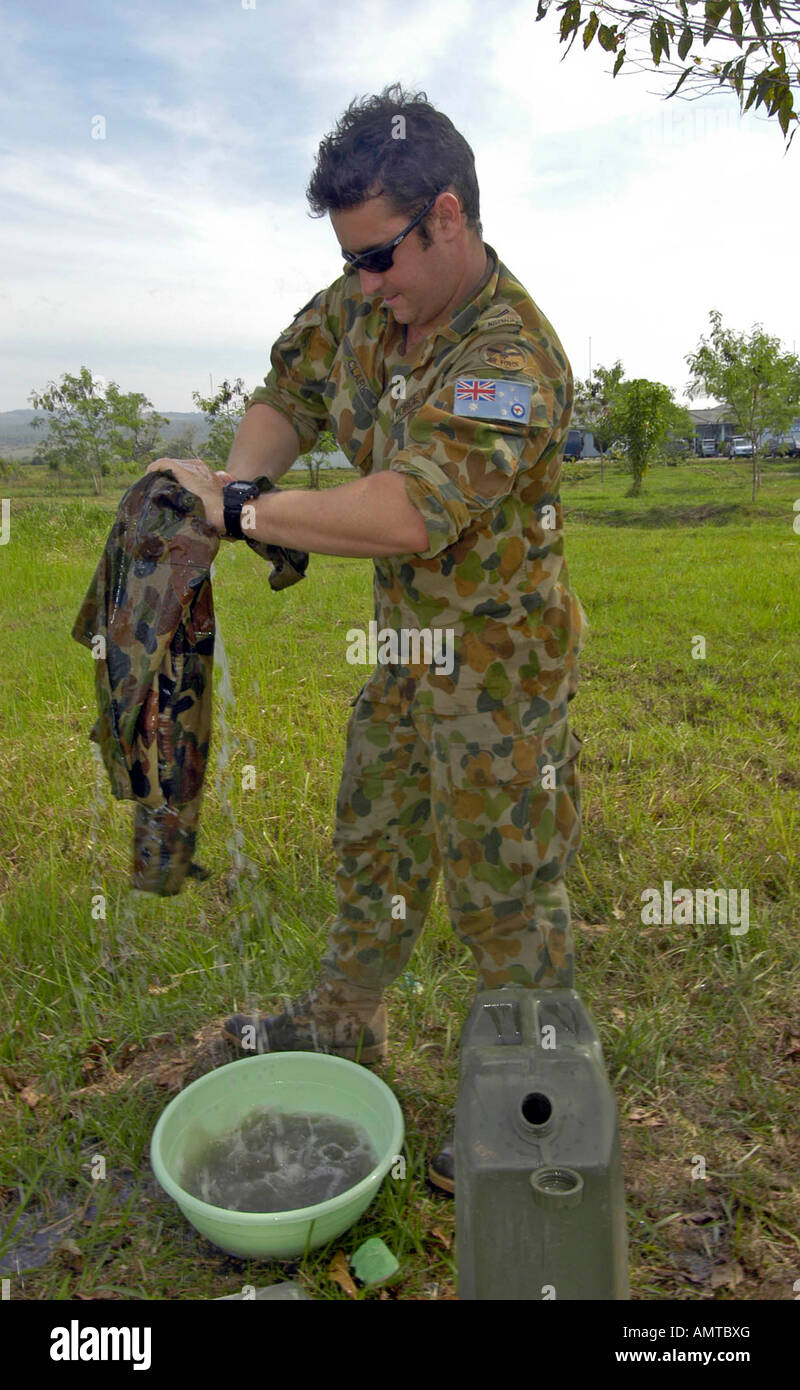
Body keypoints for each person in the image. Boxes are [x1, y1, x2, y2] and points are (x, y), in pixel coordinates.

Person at [146, 83, 587, 1194]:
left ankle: (534, 1110)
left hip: (500, 667)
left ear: (446, 216)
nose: (365, 282)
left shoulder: (509, 356)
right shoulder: (363, 298)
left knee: (503, 884)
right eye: (350, 260)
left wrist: (238, 514)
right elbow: (287, 389)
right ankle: (343, 1023)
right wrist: (247, 473)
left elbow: (406, 511)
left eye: (380, 257)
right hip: (400, 650)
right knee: (375, 838)